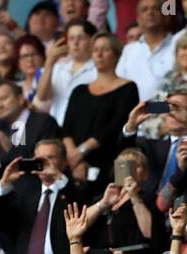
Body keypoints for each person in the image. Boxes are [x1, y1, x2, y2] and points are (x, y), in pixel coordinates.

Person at [62, 32, 139, 186]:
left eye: (105, 49)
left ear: (116, 55)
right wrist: (74, 157)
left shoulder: (128, 88)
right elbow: (67, 128)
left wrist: (81, 150)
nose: (99, 54)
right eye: (95, 49)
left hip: (113, 161)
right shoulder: (79, 90)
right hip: (76, 164)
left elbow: (117, 124)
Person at [35, 18, 97, 126]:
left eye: (81, 38)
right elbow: (42, 96)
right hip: (57, 131)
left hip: (84, 130)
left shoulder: (99, 70)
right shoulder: (58, 68)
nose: (76, 43)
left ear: (92, 41)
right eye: (71, 38)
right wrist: (50, 62)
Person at [116, 0, 178, 104]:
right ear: (138, 20)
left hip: (170, 112)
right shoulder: (129, 50)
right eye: (144, 10)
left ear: (166, 17)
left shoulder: (178, 45)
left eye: (156, 9)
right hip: (134, 113)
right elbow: (119, 85)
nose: (150, 12)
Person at [0, 81, 61, 167]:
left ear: (20, 99)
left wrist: (11, 150)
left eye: (4, 98)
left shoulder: (44, 122)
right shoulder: (4, 133)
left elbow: (45, 164)